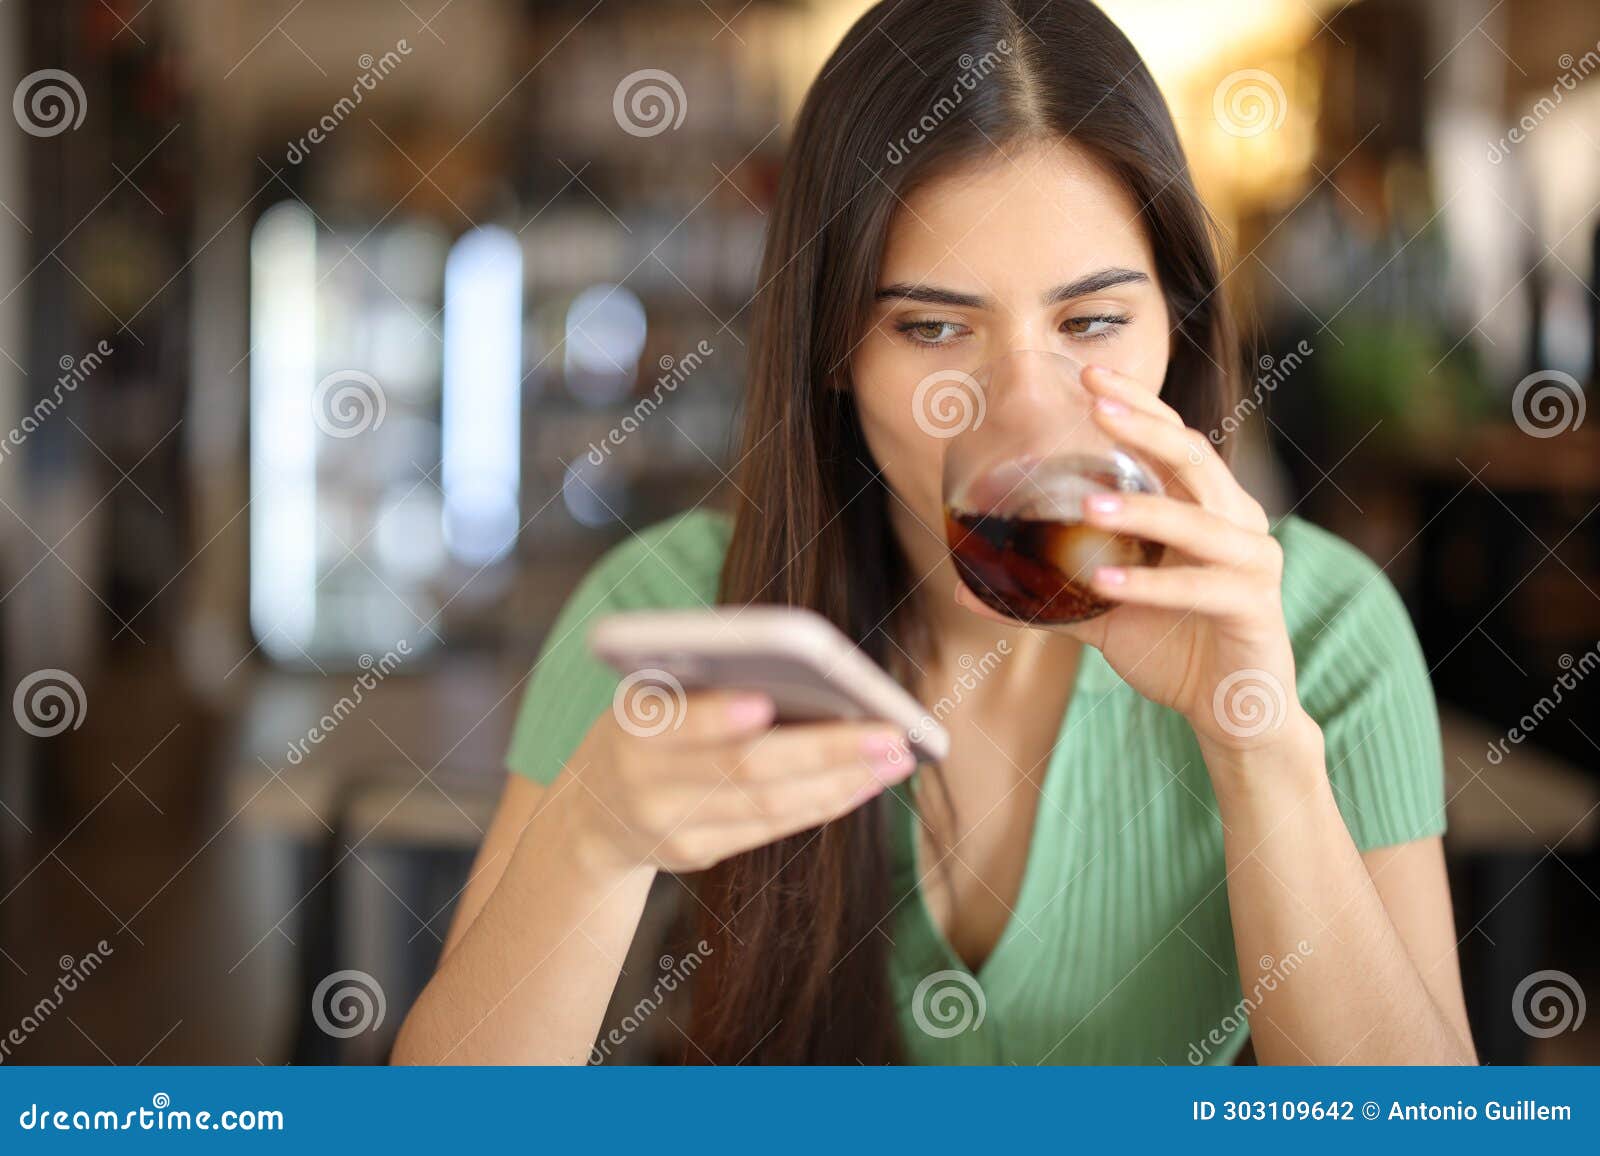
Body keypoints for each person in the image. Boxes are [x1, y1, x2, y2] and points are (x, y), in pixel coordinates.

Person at [393, 0, 1475, 1066]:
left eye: (1091, 322)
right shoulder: (673, 616)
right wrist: (593, 839)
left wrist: (1258, 749)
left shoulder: (1318, 626)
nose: (1022, 411)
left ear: (1178, 327)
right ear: (833, 349)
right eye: (931, 327)